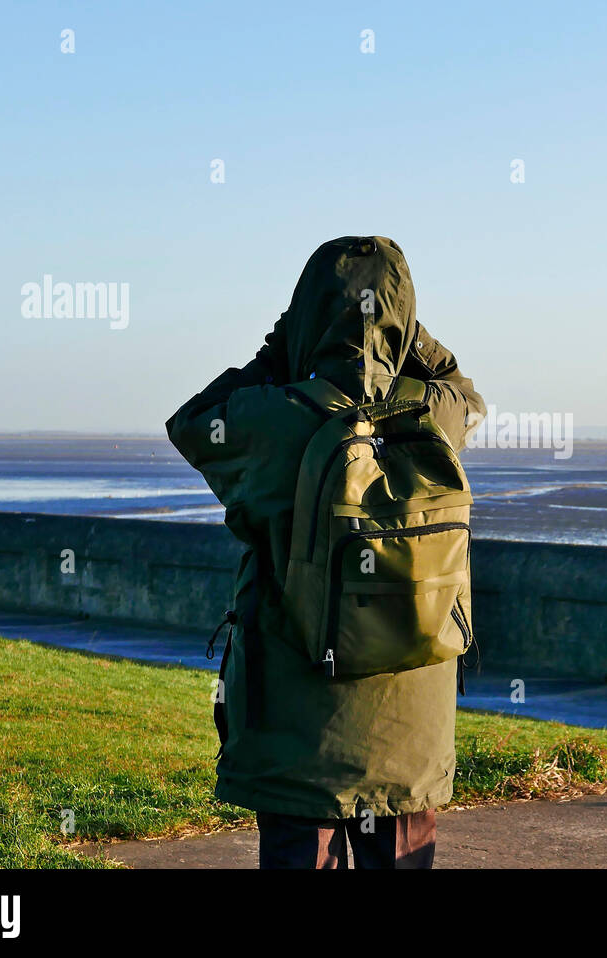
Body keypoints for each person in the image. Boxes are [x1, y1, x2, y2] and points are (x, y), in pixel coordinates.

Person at [166, 236, 485, 869]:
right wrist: (407, 334)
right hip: (408, 734)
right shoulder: (436, 417)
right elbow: (465, 390)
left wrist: (279, 347)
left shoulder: (277, 421)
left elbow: (194, 422)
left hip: (297, 730)